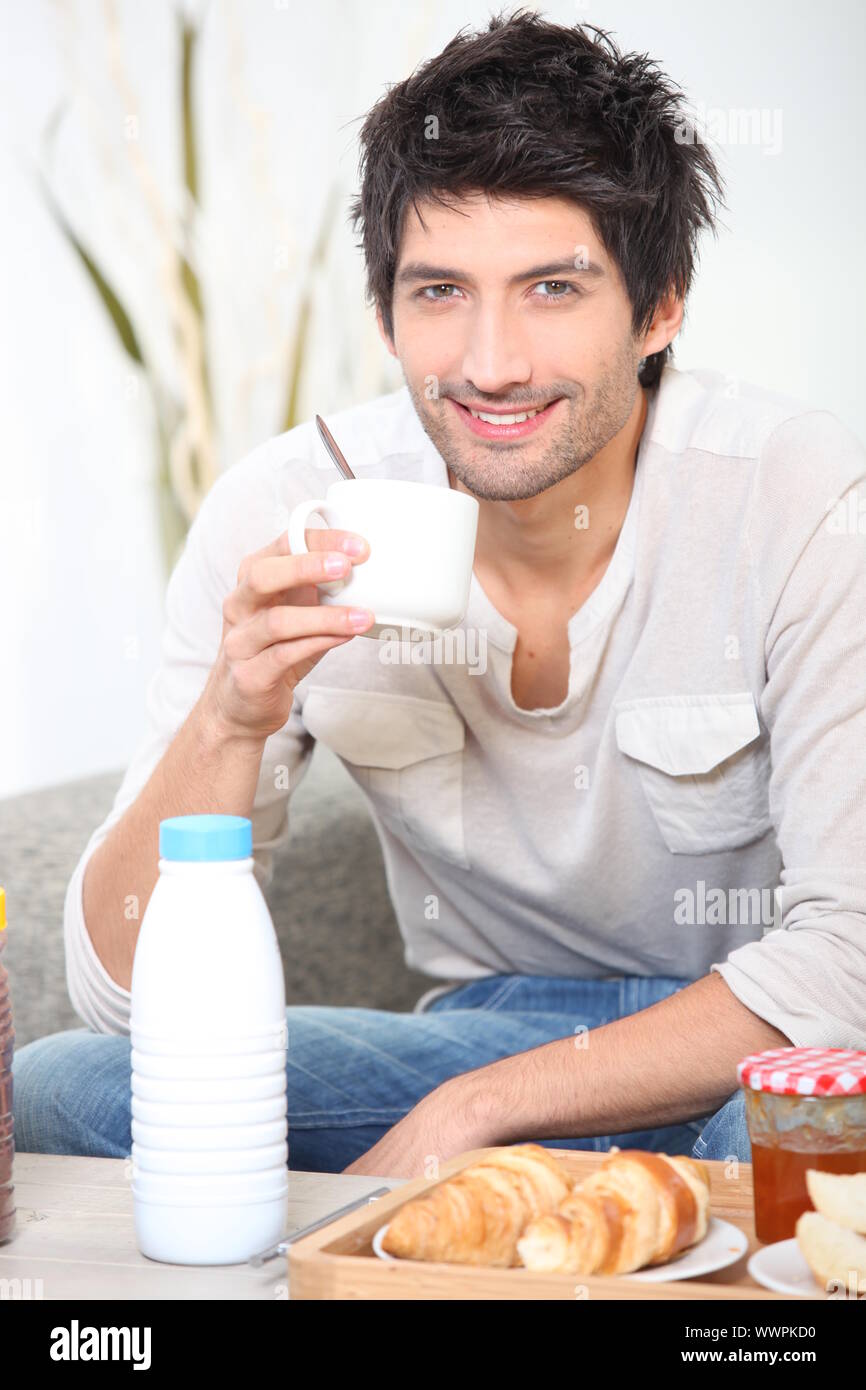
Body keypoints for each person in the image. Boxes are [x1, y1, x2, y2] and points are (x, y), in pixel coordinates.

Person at [14, 12, 866, 1177]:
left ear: (658, 305)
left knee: (789, 1155)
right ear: (384, 313)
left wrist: (474, 1115)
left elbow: (847, 962)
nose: (489, 363)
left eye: (552, 288)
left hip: (740, 1038)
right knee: (64, 1091)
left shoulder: (791, 495)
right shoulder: (290, 505)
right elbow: (117, 998)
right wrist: (229, 718)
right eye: (439, 293)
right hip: (479, 1028)